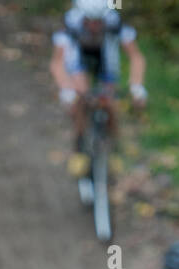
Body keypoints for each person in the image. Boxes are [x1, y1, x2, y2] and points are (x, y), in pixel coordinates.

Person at [50, 0, 147, 176]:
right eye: (90, 21)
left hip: (105, 56)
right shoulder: (71, 24)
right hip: (80, 56)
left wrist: (137, 86)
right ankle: (79, 150)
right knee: (80, 95)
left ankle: (113, 149)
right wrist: (66, 89)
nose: (94, 26)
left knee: (110, 102)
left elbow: (136, 57)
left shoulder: (113, 23)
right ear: (82, 18)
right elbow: (58, 63)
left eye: (98, 22)